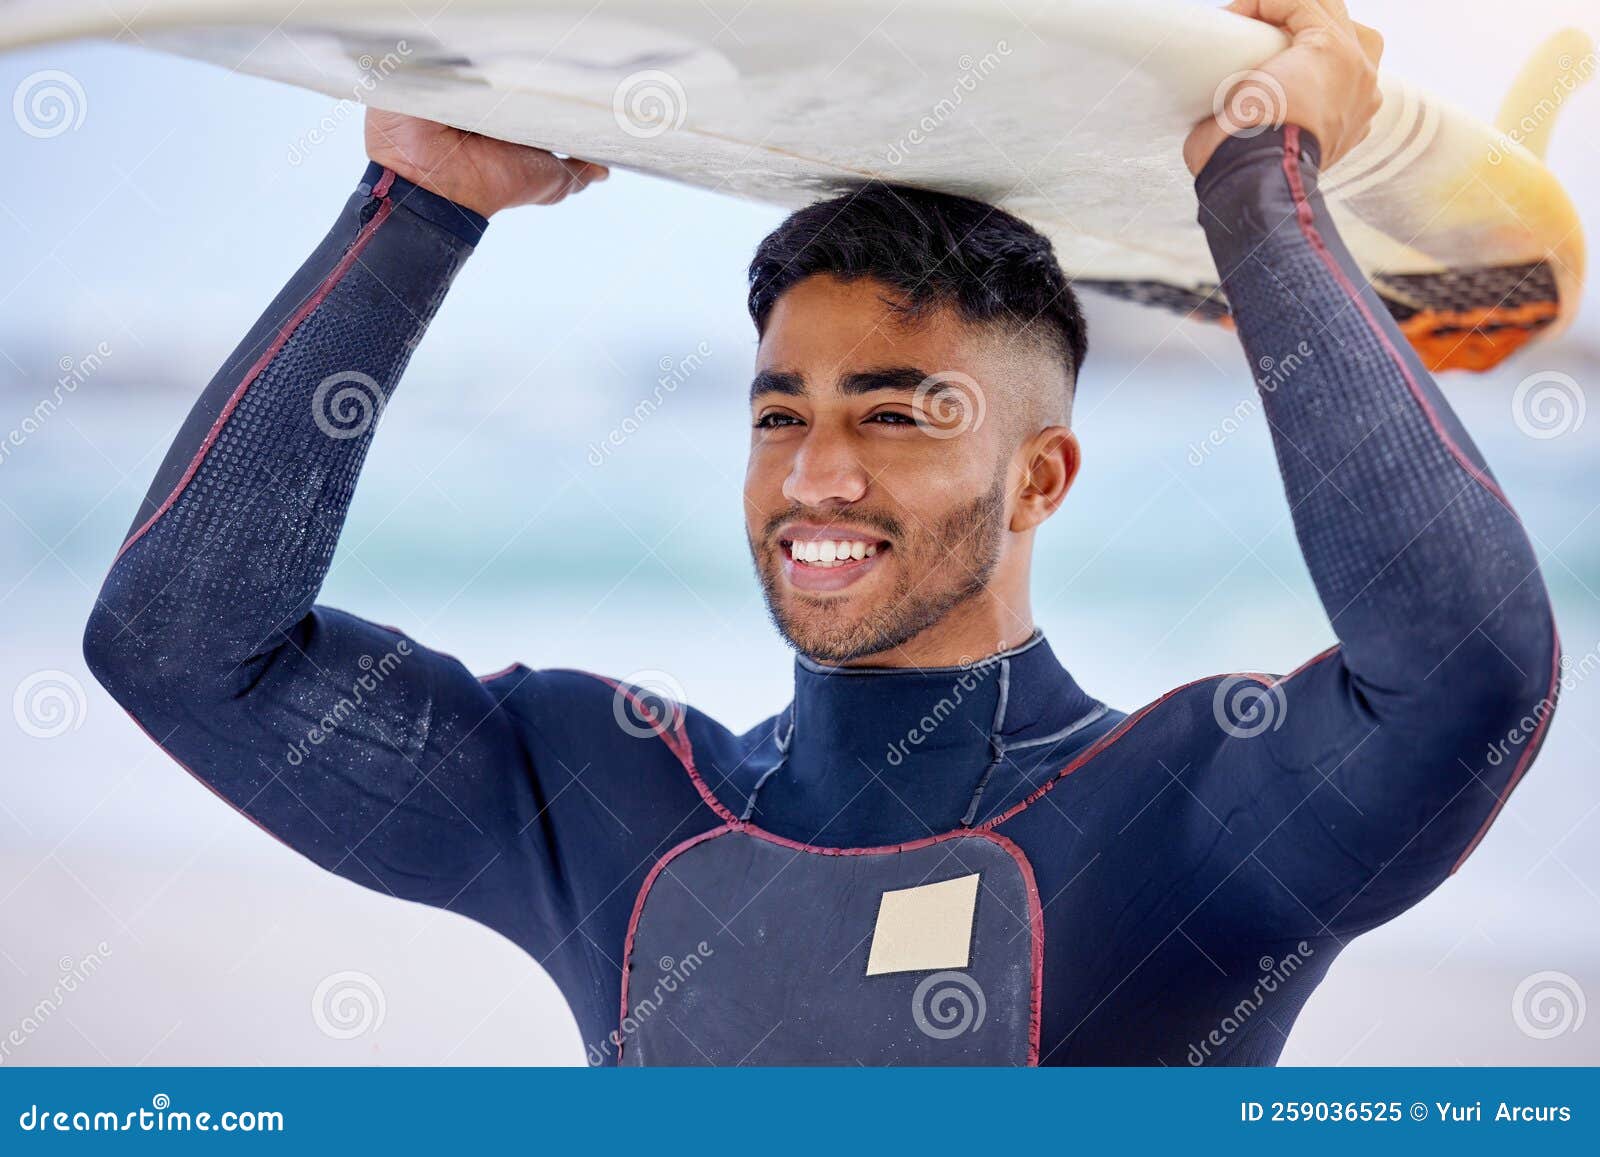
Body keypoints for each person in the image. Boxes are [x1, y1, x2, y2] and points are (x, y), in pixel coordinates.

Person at [84, 0, 1558, 1066]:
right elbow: (179, 647)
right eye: (780, 413)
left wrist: (1261, 186)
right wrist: (415, 208)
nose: (819, 472)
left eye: (902, 411)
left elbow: (1469, 670)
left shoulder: (1186, 819)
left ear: (1044, 478)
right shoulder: (611, 805)